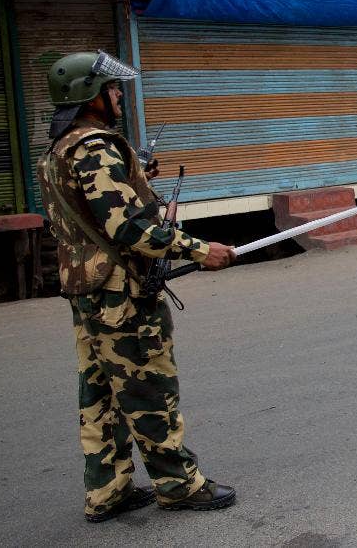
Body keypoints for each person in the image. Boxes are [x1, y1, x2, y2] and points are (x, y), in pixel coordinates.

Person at [37, 51, 238, 521]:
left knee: (101, 395)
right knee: (148, 389)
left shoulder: (61, 149)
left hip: (87, 293)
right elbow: (129, 229)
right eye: (111, 90)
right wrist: (198, 249)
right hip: (119, 297)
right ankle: (178, 485)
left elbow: (92, 210)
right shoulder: (95, 147)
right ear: (89, 94)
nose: (118, 98)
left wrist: (137, 178)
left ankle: (107, 491)